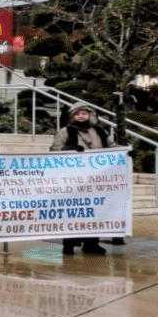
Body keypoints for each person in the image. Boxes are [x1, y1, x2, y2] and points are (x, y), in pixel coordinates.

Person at [51, 102, 114, 255]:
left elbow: (112, 147)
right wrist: (68, 149)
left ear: (90, 115)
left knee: (94, 211)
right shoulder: (65, 131)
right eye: (77, 114)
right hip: (73, 179)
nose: (81, 116)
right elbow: (54, 149)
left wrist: (126, 153)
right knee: (73, 211)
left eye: (84, 113)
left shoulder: (99, 131)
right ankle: (69, 244)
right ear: (72, 117)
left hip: (96, 178)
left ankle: (91, 244)